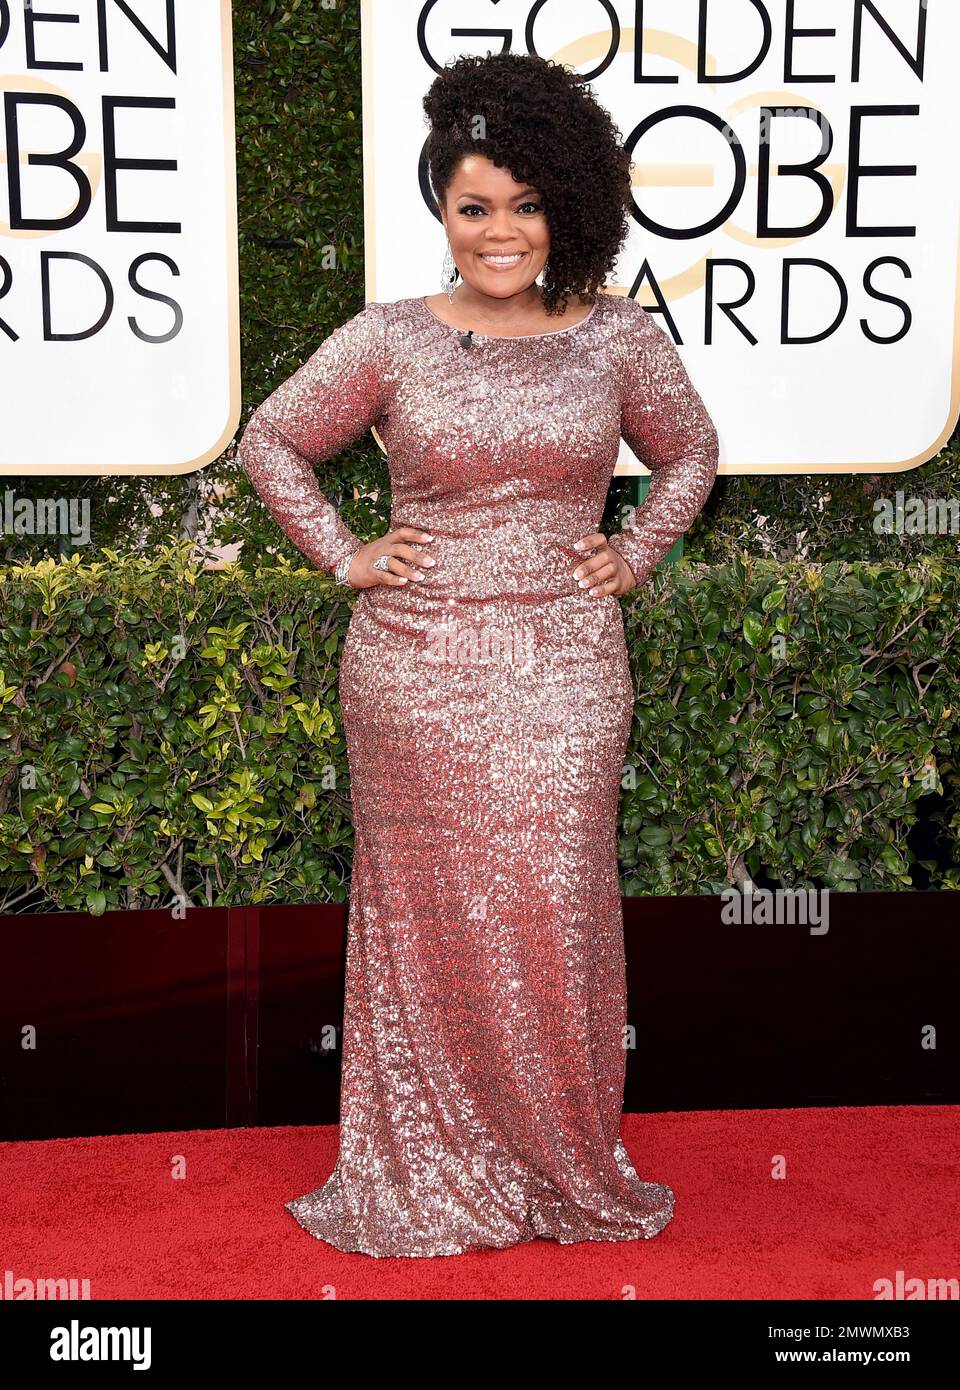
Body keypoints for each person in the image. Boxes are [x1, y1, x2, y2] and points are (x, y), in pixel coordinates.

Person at [237, 51, 719, 1258]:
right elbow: (271, 441)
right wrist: (344, 552)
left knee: (553, 906)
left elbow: (692, 452)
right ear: (440, 211)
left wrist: (637, 549)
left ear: (568, 205)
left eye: (527, 204)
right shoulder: (389, 337)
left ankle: (559, 1156)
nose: (500, 232)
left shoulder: (617, 337)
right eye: (473, 207)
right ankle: (430, 1162)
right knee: (434, 915)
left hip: (564, 664)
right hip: (414, 667)